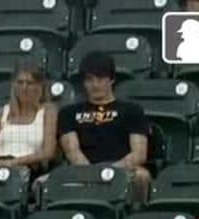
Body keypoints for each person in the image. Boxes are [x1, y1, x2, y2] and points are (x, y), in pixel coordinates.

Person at [58, 51, 151, 205]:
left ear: (111, 79)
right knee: (41, 184)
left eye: (101, 79)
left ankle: (133, 216)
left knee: (141, 177)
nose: (95, 85)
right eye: (89, 79)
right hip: (82, 171)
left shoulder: (131, 110)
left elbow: (139, 154)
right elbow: (72, 152)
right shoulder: (69, 113)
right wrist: (92, 175)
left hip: (122, 169)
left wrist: (109, 172)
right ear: (83, 82)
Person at [0, 63, 58, 172]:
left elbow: (48, 152)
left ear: (39, 86)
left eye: (29, 83)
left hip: (29, 167)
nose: (24, 88)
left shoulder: (48, 111)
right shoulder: (1, 113)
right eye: (20, 82)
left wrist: (12, 163)